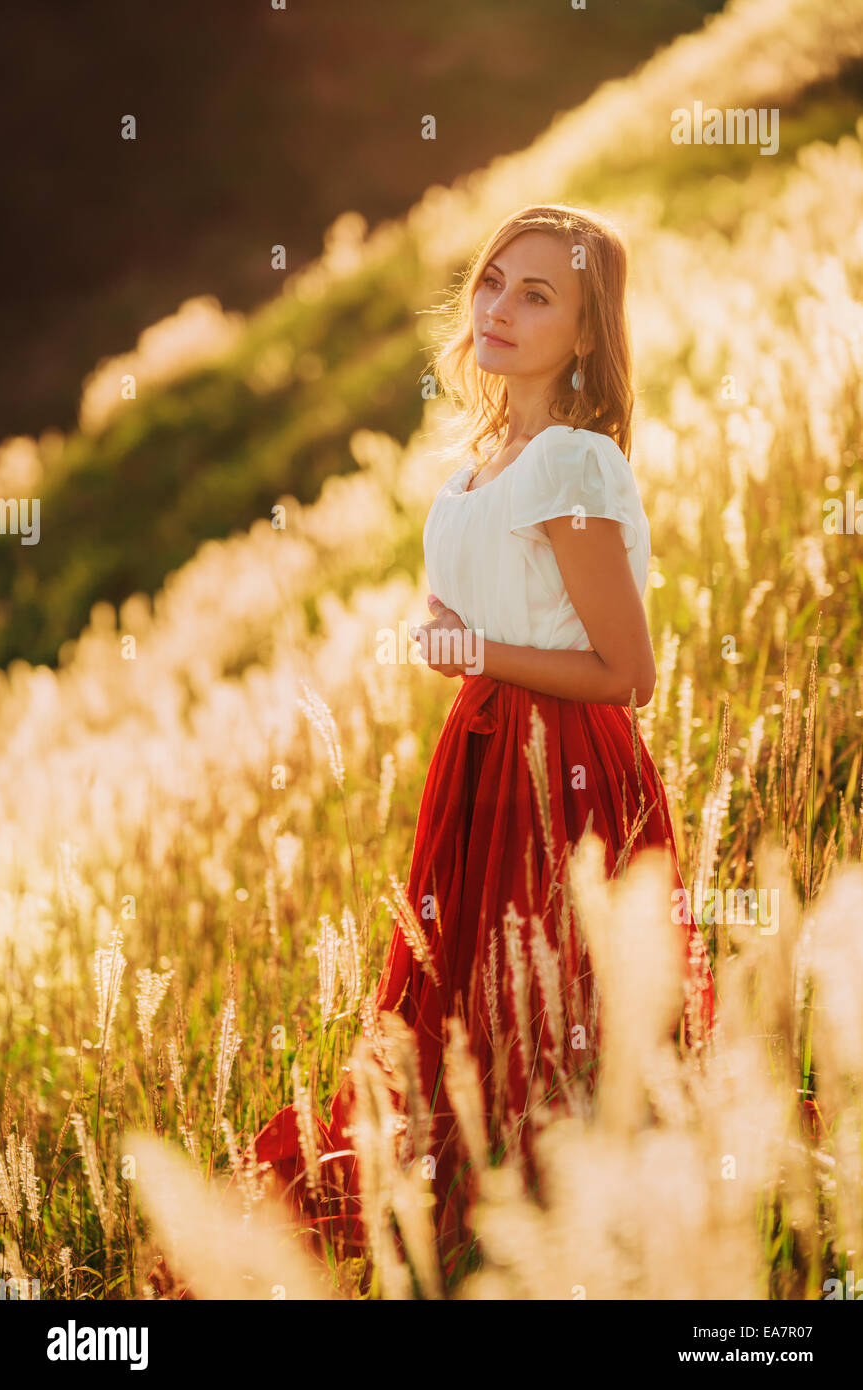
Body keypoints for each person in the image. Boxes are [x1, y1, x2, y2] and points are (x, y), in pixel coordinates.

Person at [150, 203, 716, 1296]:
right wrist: (464, 641)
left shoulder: (571, 463)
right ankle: (484, 1216)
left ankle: (560, 1232)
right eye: (493, 282)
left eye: (536, 294)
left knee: (549, 1018)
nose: (499, 308)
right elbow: (481, 616)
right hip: (481, 755)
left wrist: (477, 645)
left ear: (587, 333)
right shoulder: (483, 453)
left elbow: (625, 673)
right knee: (459, 1011)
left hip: (565, 766)